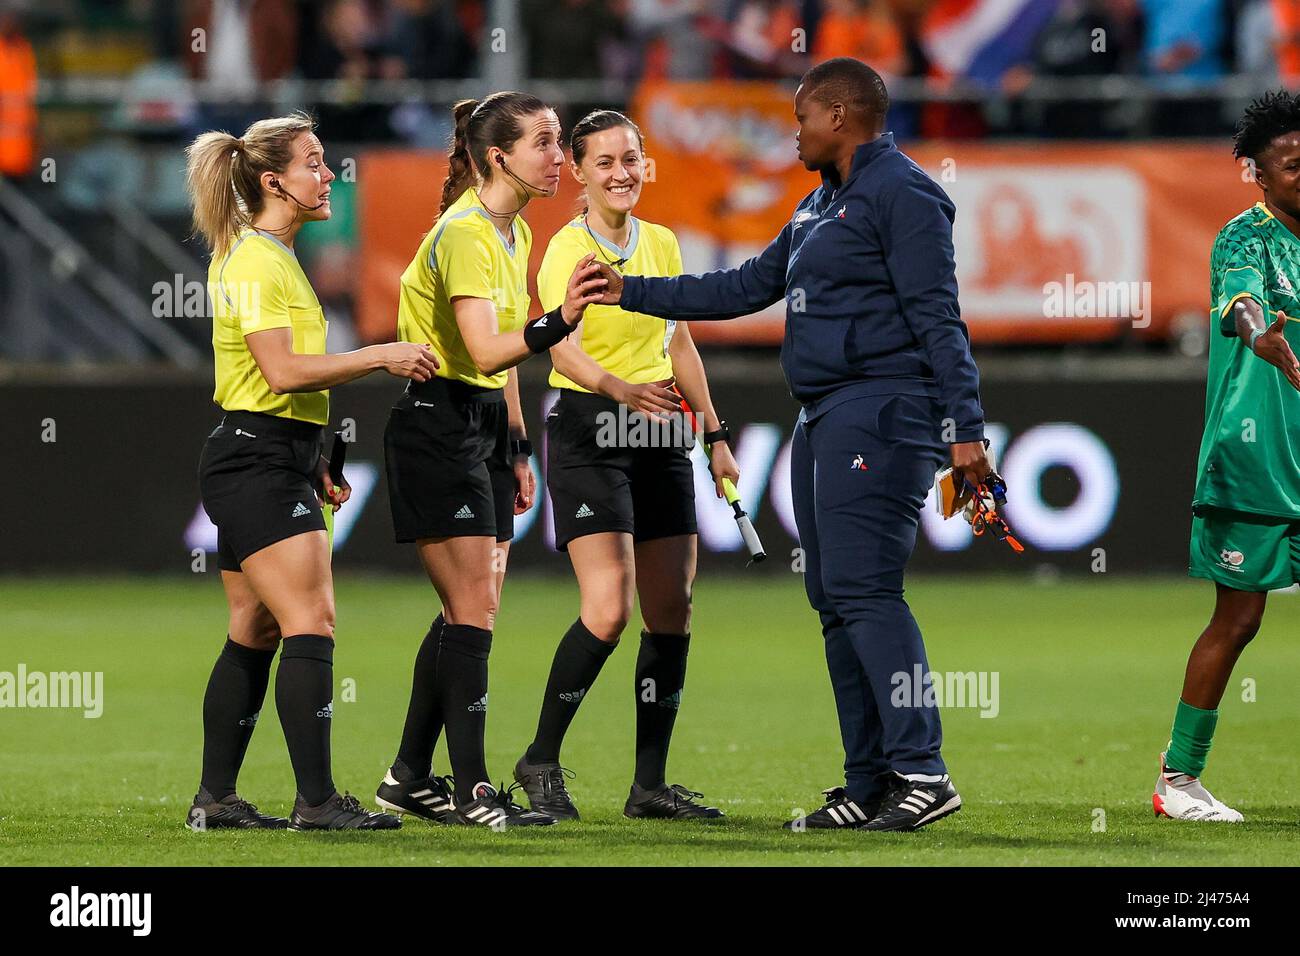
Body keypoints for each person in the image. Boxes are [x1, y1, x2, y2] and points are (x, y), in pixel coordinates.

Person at [591, 58, 991, 832]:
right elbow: (741, 287)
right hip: (823, 414)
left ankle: (924, 770)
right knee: (834, 597)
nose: (793, 131)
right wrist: (630, 289)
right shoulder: (818, 207)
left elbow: (941, 319)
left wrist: (965, 428)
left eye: (803, 116)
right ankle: (870, 781)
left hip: (883, 409)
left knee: (867, 591)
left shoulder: (902, 194)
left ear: (839, 116)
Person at [185, 112, 438, 831]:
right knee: (311, 621)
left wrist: (315, 458)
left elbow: (270, 384)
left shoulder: (263, 254)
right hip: (256, 461)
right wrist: (382, 354)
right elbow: (282, 369)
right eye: (314, 163)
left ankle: (216, 798)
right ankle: (318, 802)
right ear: (274, 180)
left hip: (265, 453)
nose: (329, 175)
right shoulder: (260, 259)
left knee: (256, 628)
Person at [373, 92, 607, 828]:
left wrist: (514, 443)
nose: (558, 155)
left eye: (560, 140)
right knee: (471, 610)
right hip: (434, 423)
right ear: (498, 156)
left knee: (469, 611)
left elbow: (501, 364)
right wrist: (558, 320)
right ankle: (473, 787)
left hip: (475, 425)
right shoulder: (470, 232)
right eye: (543, 141)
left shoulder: (513, 229)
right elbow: (481, 348)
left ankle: (409, 775)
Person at [512, 110, 739, 822]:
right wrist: (620, 390)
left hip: (661, 432)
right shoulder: (565, 248)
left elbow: (679, 344)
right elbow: (560, 347)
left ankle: (649, 787)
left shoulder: (664, 243)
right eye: (605, 162)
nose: (621, 172)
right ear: (578, 174)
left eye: (631, 159)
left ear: (648, 166)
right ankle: (539, 758)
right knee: (608, 610)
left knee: (671, 609)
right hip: (589, 430)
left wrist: (715, 432)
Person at [1154, 89, 1300, 823]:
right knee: (1238, 621)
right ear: (1260, 174)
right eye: (1294, 165)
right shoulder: (1245, 239)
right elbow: (1241, 304)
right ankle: (1178, 780)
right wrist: (1260, 335)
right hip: (1255, 461)